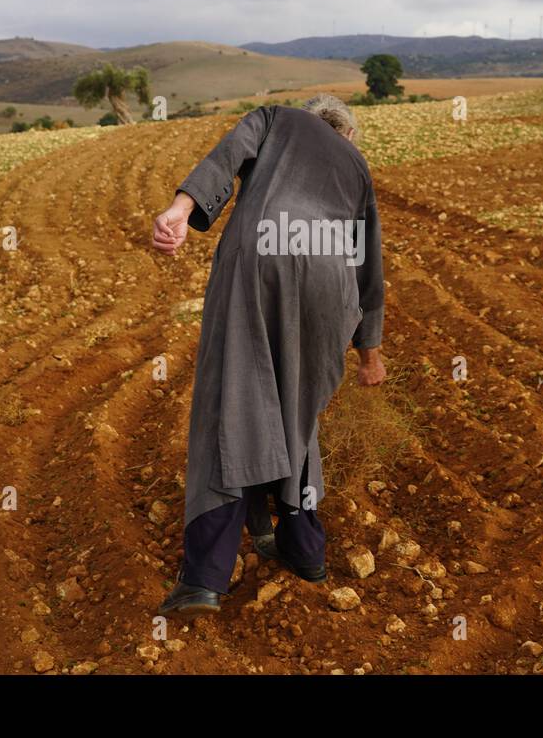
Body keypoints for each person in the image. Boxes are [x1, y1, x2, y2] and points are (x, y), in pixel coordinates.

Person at [151, 94, 386, 615]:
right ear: (346, 133)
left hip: (259, 261)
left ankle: (204, 579)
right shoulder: (356, 163)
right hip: (331, 284)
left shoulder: (276, 119)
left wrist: (179, 209)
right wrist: (370, 350)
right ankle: (305, 552)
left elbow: (226, 158)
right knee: (295, 416)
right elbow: (367, 260)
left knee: (232, 402)